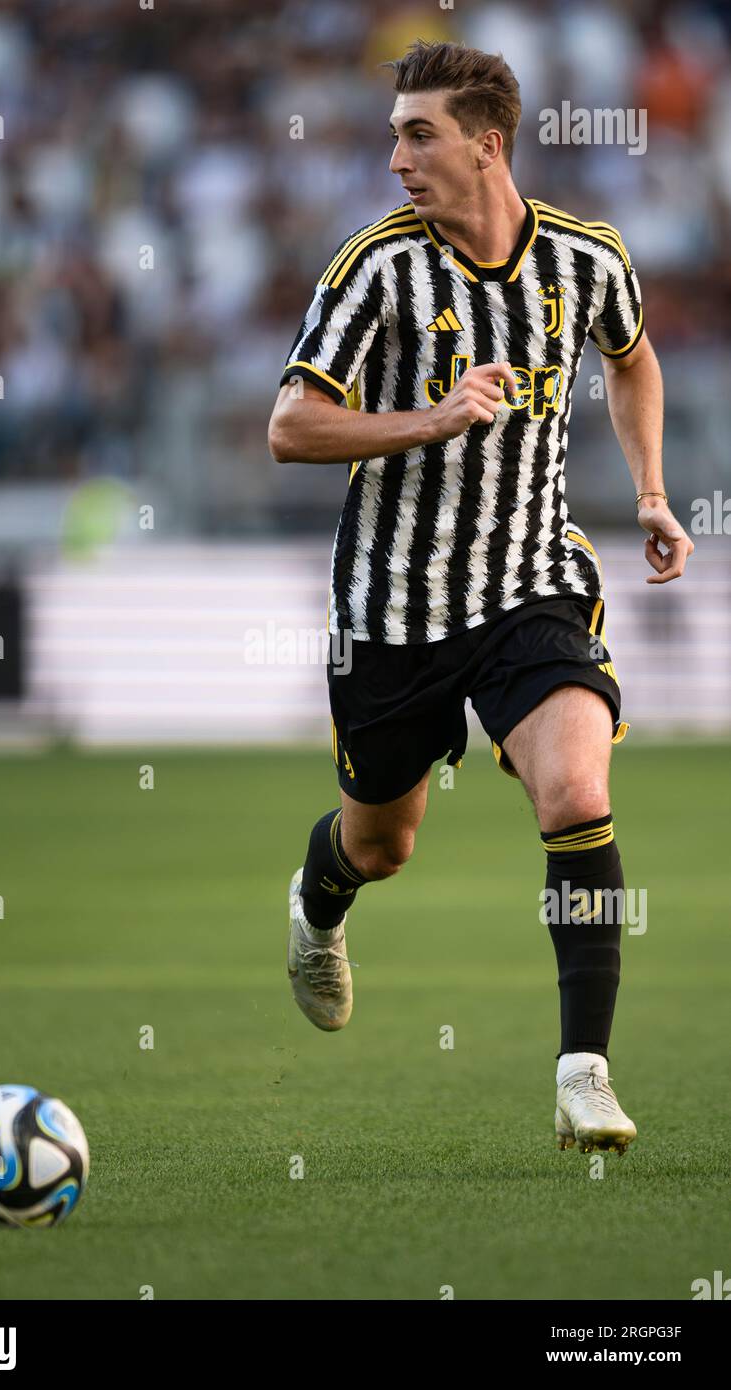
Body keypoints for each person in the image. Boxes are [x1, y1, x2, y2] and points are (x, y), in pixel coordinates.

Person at [267, 40, 694, 1154]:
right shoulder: (375, 270)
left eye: (419, 134)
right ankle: (318, 904)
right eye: (394, 133)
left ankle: (582, 1070)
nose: (396, 155)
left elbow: (633, 359)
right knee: (383, 844)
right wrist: (431, 417)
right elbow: (290, 426)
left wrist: (649, 490)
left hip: (529, 586)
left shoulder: (587, 258)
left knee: (571, 789)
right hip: (393, 611)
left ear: (484, 144)